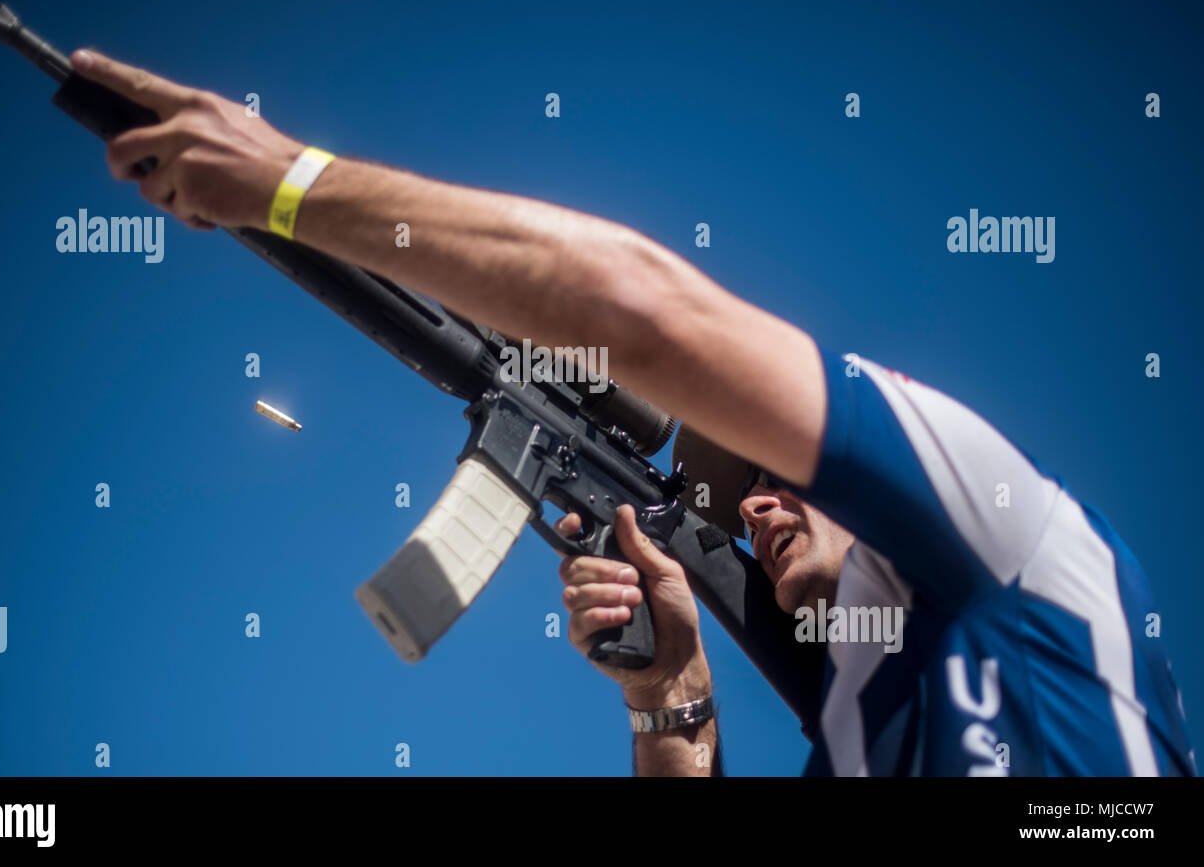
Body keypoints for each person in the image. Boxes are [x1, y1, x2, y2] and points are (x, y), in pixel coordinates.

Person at [66, 48, 1195, 777]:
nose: (755, 505)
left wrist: (287, 184)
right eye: (741, 494)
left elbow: (643, 313)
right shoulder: (850, 737)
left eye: (784, 480)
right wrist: (668, 699)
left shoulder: (1022, 551)